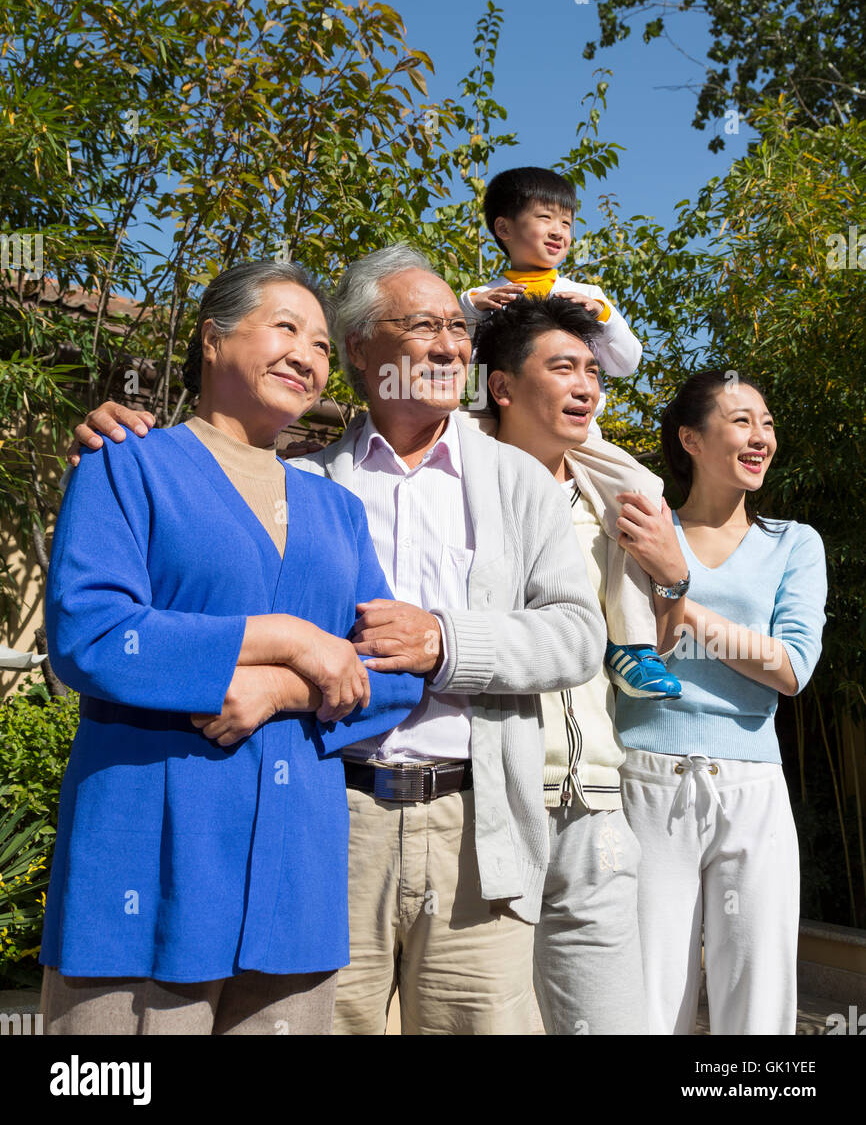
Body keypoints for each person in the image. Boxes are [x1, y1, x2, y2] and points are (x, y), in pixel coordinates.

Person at [68, 244, 607, 1037]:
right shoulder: (317, 481)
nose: (452, 344)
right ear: (365, 350)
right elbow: (99, 630)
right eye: (424, 324)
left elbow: (576, 637)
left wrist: (433, 644)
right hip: (333, 822)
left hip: (471, 826)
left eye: (459, 327)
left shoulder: (516, 478)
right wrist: (289, 649)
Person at [41, 260, 425, 1036]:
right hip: (148, 860)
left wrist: (284, 688)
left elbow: (390, 672)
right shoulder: (127, 464)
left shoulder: (338, 511)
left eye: (320, 344)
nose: (306, 356)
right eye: (284, 328)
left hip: (294, 877)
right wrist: (286, 640)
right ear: (213, 340)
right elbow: (91, 635)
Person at [471, 294, 688, 1035]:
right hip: (487, 797)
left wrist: (671, 576)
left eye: (593, 371)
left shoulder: (610, 498)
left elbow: (656, 643)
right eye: (562, 367)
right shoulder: (449, 486)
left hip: (596, 796)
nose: (586, 386)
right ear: (501, 387)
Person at [615, 369, 827, 1035]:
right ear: (691, 439)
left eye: (765, 423)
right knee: (646, 1001)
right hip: (647, 779)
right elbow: (621, 648)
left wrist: (685, 601)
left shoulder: (795, 544)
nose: (760, 435)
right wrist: (666, 589)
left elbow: (791, 668)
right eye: (741, 421)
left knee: (758, 1002)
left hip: (750, 786)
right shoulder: (642, 531)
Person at [459, 166, 680, 700]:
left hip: (582, 442)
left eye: (567, 221)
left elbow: (627, 362)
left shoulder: (585, 294)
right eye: (544, 218)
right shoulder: (480, 296)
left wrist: (604, 316)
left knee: (640, 494)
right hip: (489, 424)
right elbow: (457, 374)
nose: (559, 230)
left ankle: (632, 644)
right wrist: (465, 312)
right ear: (504, 229)